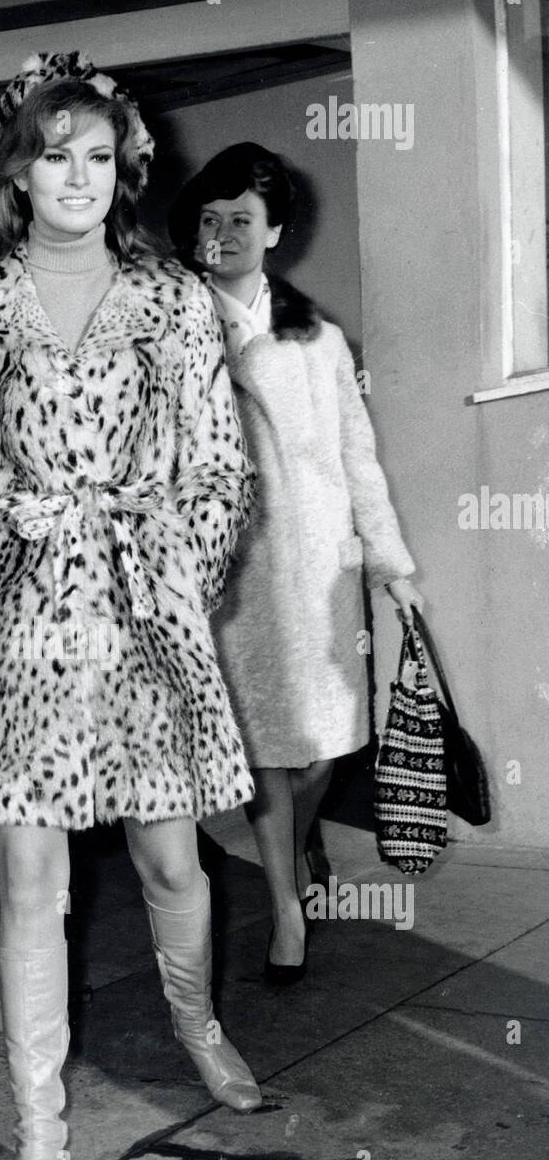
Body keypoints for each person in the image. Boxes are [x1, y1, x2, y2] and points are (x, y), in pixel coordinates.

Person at [0, 52, 261, 1160]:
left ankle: (197, 1024)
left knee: (168, 863)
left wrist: (174, 569)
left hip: (143, 618)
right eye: (58, 155)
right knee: (29, 887)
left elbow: (217, 465)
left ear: (123, 169)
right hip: (20, 627)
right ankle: (38, 1134)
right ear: (18, 171)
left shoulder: (170, 301)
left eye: (101, 157)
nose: (80, 178)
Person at [169, 143, 424, 983]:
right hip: (234, 576)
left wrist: (391, 565)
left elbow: (359, 458)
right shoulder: (172, 332)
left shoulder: (318, 338)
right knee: (264, 750)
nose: (224, 233)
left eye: (242, 219)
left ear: (276, 230)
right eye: (210, 219)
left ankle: (295, 841)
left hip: (321, 572)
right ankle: (286, 911)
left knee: (325, 750)